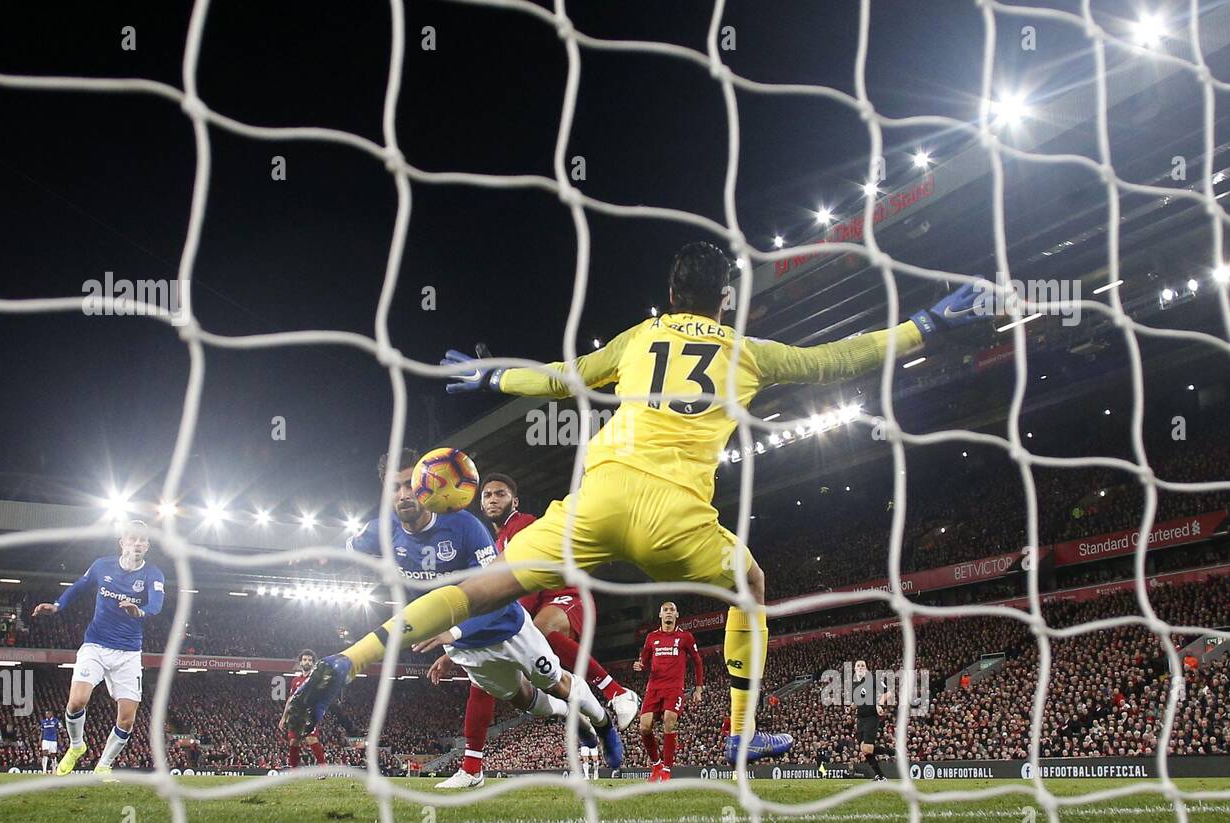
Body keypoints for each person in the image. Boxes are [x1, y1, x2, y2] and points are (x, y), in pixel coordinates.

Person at [288, 242, 990, 764]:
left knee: (479, 588)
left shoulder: (638, 338)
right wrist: (926, 326)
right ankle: (740, 736)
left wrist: (494, 373)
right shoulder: (748, 351)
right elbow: (843, 355)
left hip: (597, 499)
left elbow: (563, 380)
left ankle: (348, 660)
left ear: (670, 292)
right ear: (723, 299)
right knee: (749, 586)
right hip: (674, 518)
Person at [332, 449, 623, 773]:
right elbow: (342, 549)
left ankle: (603, 722)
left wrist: (453, 631)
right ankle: (569, 716)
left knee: (555, 682)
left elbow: (497, 595)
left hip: (507, 628)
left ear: (429, 486)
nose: (403, 495)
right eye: (394, 487)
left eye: (410, 485)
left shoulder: (466, 527)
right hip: (464, 649)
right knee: (528, 702)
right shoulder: (381, 530)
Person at [427, 471, 640, 789]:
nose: (492, 499)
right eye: (487, 495)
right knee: (495, 683)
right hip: (528, 604)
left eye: (500, 493)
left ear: (514, 500)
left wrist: (477, 632)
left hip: (563, 592)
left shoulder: (522, 524)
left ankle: (617, 692)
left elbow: (519, 588)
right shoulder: (494, 542)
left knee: (538, 631)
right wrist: (465, 647)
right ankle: (473, 766)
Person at [32, 520, 165, 779]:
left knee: (126, 719)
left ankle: (103, 765)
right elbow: (80, 586)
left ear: (147, 546)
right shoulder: (102, 565)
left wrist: (140, 610)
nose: (136, 544)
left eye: (142, 540)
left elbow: (157, 604)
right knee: (76, 701)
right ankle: (76, 745)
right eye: (132, 539)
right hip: (95, 645)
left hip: (128, 653)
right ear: (122, 542)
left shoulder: (153, 574)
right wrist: (58, 605)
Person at [633, 602, 703, 782]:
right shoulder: (651, 638)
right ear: (660, 615)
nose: (669, 613)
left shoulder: (685, 637)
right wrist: (640, 665)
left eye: (672, 610)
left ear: (677, 614)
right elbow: (645, 660)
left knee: (669, 722)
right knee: (644, 726)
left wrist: (698, 687)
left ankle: (666, 769)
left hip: (674, 688)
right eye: (666, 610)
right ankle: (656, 764)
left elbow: (697, 661)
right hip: (654, 687)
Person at [279, 650, 327, 770]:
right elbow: (290, 700)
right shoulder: (295, 681)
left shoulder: (316, 679)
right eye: (305, 659)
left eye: (310, 660)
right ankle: (293, 770)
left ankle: (323, 768)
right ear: (300, 662)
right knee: (293, 742)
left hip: (309, 714)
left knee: (311, 739)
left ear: (313, 663)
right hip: (296, 715)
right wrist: (284, 717)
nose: (307, 662)